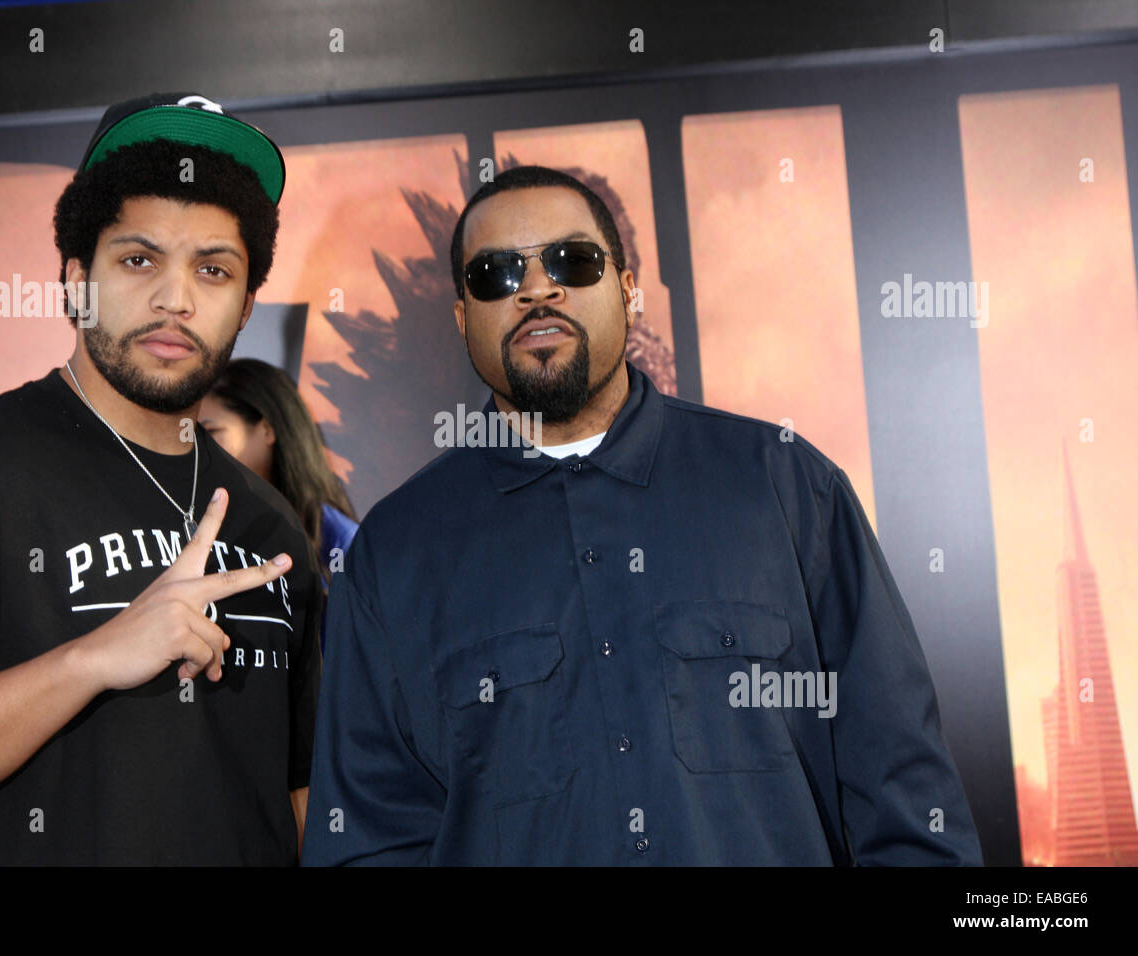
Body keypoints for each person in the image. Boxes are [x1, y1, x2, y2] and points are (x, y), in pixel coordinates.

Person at [301, 165, 983, 866]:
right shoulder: (395, 554)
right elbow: (367, 842)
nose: (537, 289)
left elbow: (900, 785)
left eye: (572, 260)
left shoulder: (781, 486)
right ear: (462, 317)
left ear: (628, 290)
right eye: (496, 275)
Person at [0, 93, 322, 865]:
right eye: (138, 259)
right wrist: (93, 658)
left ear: (245, 305)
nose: (175, 298)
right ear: (73, 278)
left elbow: (298, 791)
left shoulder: (268, 523)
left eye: (213, 269)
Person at [200, 359, 359, 598]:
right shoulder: (199, 523)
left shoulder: (338, 540)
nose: (199, 449)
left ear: (266, 429)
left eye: (212, 432)